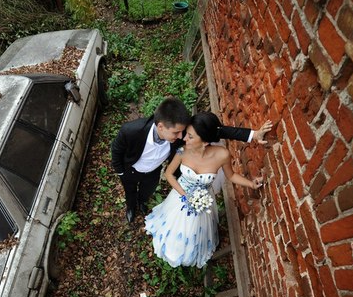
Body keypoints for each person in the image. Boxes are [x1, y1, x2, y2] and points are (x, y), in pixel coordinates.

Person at [111, 97, 272, 223]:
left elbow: (215, 131)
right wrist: (121, 173)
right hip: (131, 170)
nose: (181, 137)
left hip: (153, 172)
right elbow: (116, 151)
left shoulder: (180, 133)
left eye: (183, 133)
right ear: (161, 127)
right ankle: (131, 207)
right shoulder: (130, 130)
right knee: (130, 191)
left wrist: (254, 135)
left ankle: (142, 202)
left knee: (147, 191)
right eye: (176, 133)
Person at [144, 112, 266, 268]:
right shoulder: (182, 150)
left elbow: (231, 175)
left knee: (195, 230)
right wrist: (184, 196)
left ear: (205, 141)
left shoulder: (222, 155)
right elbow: (168, 174)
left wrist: (251, 184)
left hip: (203, 201)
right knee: (175, 225)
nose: (184, 138)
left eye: (190, 136)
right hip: (181, 194)